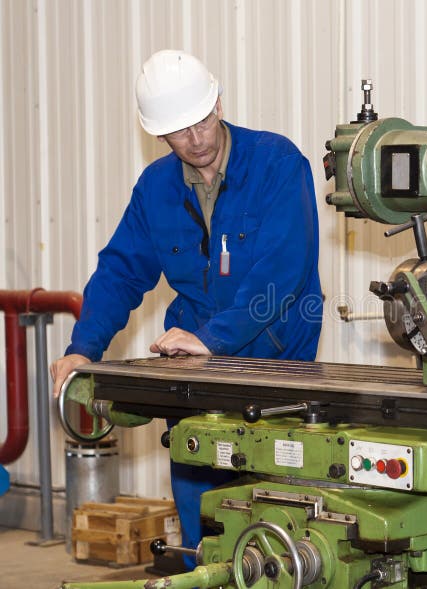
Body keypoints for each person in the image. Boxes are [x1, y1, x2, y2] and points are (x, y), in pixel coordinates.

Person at [49, 49, 322, 567]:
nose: (195, 139)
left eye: (200, 121)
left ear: (218, 103)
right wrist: (84, 349)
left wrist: (212, 339)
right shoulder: (155, 189)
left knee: (272, 516)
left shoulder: (278, 164)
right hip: (195, 380)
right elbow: (120, 272)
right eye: (178, 131)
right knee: (200, 504)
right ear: (159, 135)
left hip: (274, 367)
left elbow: (282, 272)